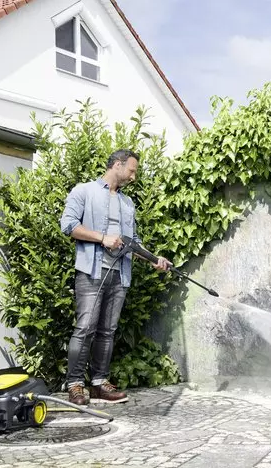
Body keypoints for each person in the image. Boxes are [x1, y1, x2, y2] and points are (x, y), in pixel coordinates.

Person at [60, 149, 171, 405]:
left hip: (120, 273)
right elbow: (68, 225)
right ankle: (75, 384)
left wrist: (155, 260)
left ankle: (99, 383)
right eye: (131, 170)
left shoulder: (127, 203)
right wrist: (102, 238)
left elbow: (133, 242)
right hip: (92, 271)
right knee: (84, 328)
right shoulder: (84, 191)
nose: (134, 176)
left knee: (107, 331)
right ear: (118, 165)